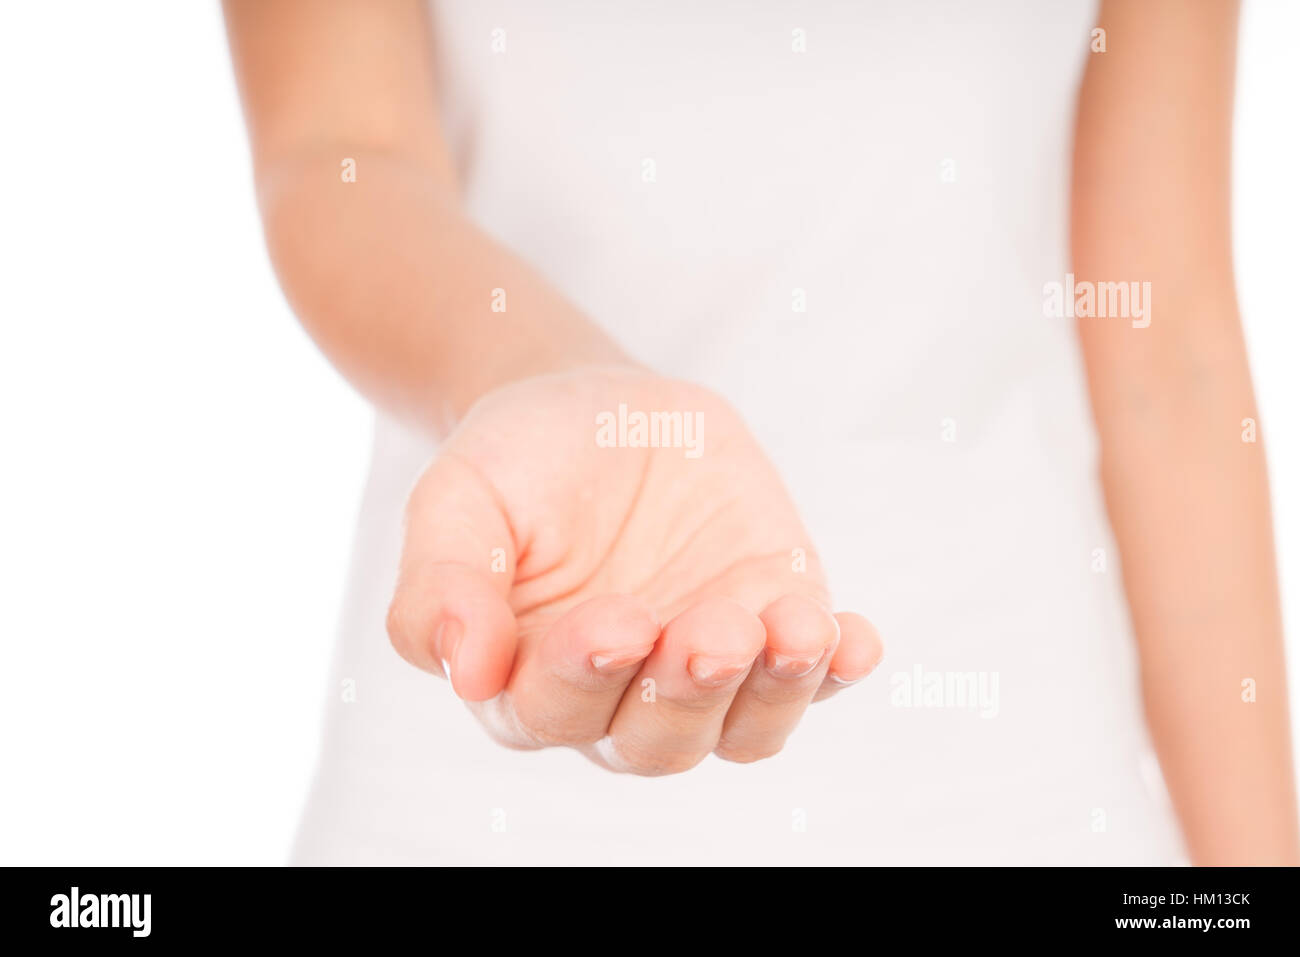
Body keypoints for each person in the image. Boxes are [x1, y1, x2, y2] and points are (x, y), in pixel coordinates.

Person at [223, 0, 1299, 865]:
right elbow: (340, 154)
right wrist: (552, 376)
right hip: (481, 770)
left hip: (1028, 792)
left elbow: (1168, 354)